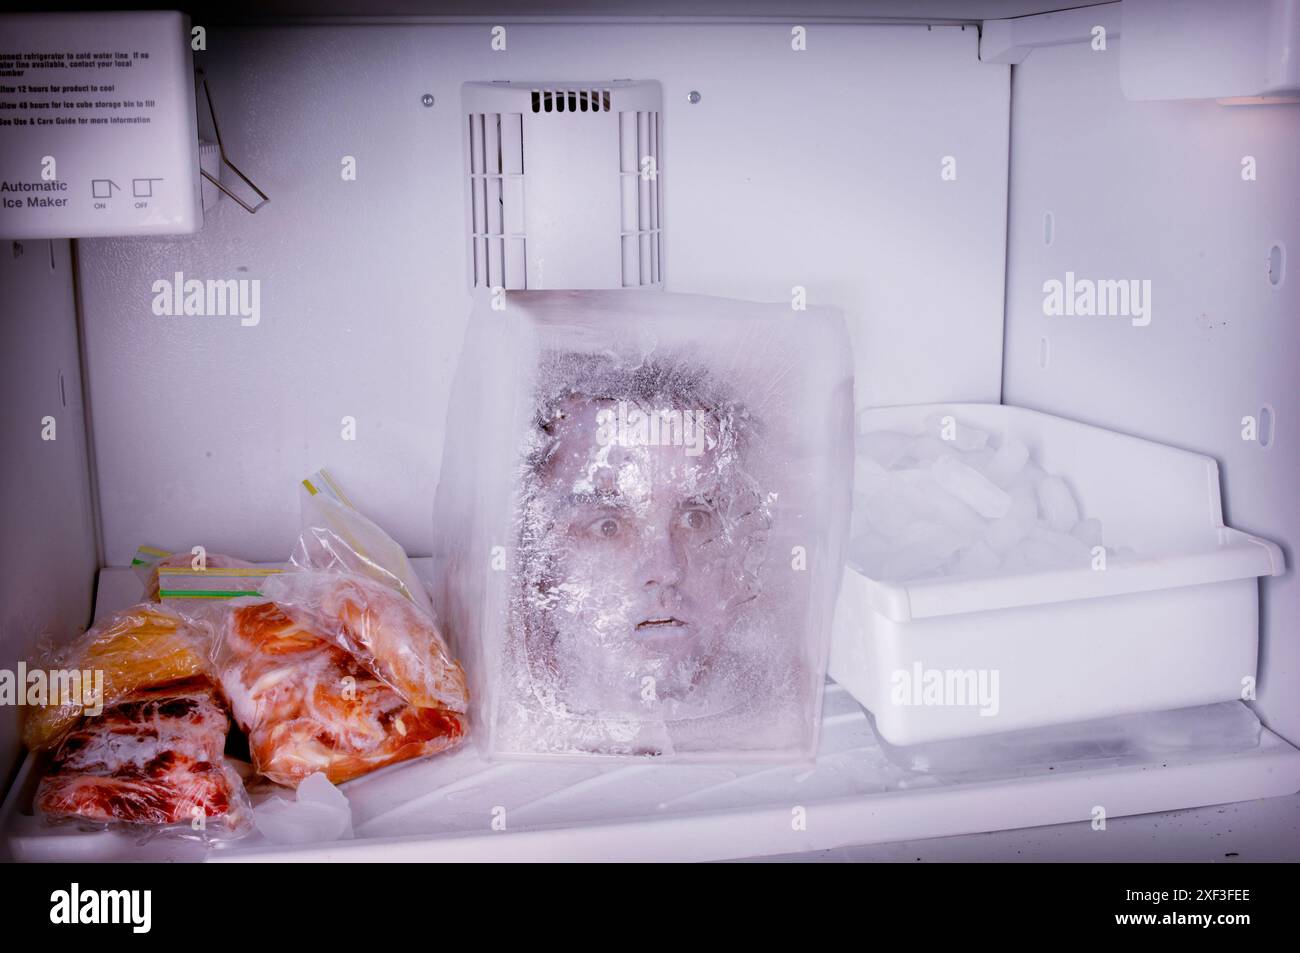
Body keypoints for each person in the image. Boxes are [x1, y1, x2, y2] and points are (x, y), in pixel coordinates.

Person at [504, 351, 790, 754]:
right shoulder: (486, 732)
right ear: (537, 561)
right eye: (608, 526)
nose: (666, 568)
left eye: (696, 519)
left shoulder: (785, 715)